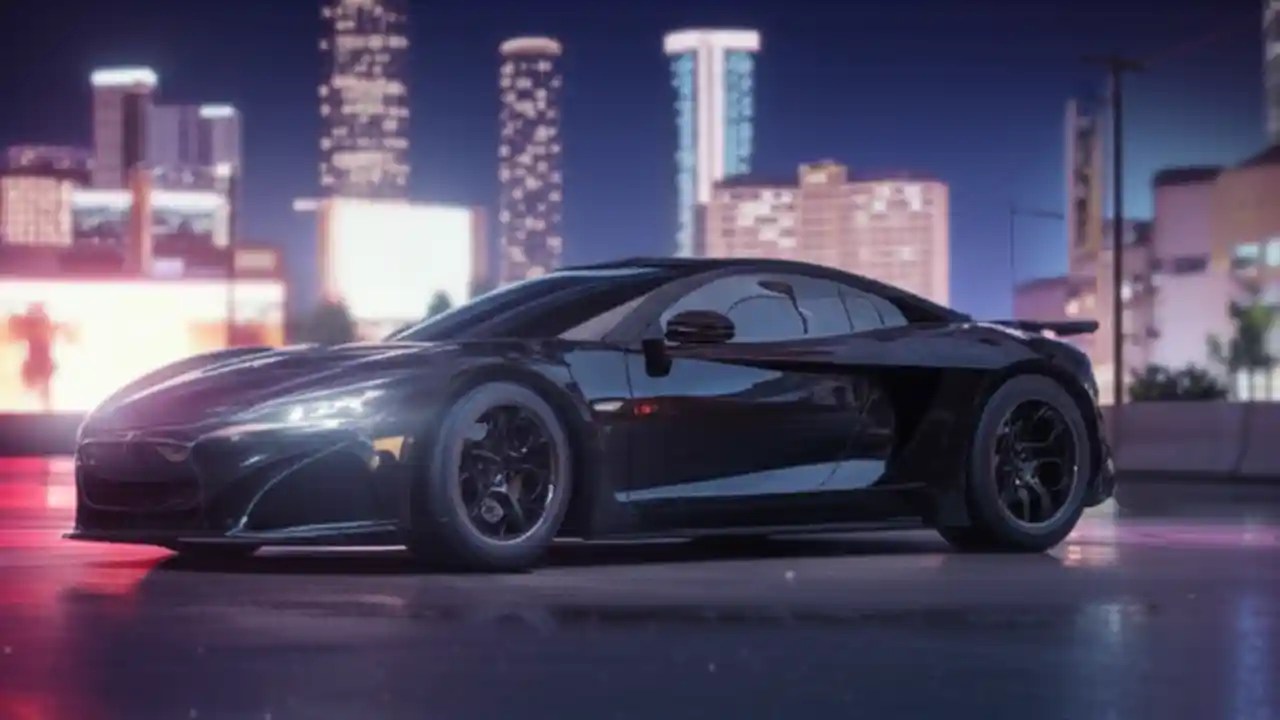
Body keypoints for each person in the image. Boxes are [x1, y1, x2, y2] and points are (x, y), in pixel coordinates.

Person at [9, 303, 56, 412]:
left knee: (43, 396)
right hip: (37, 367)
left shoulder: (42, 329)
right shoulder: (36, 328)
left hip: (40, 366)